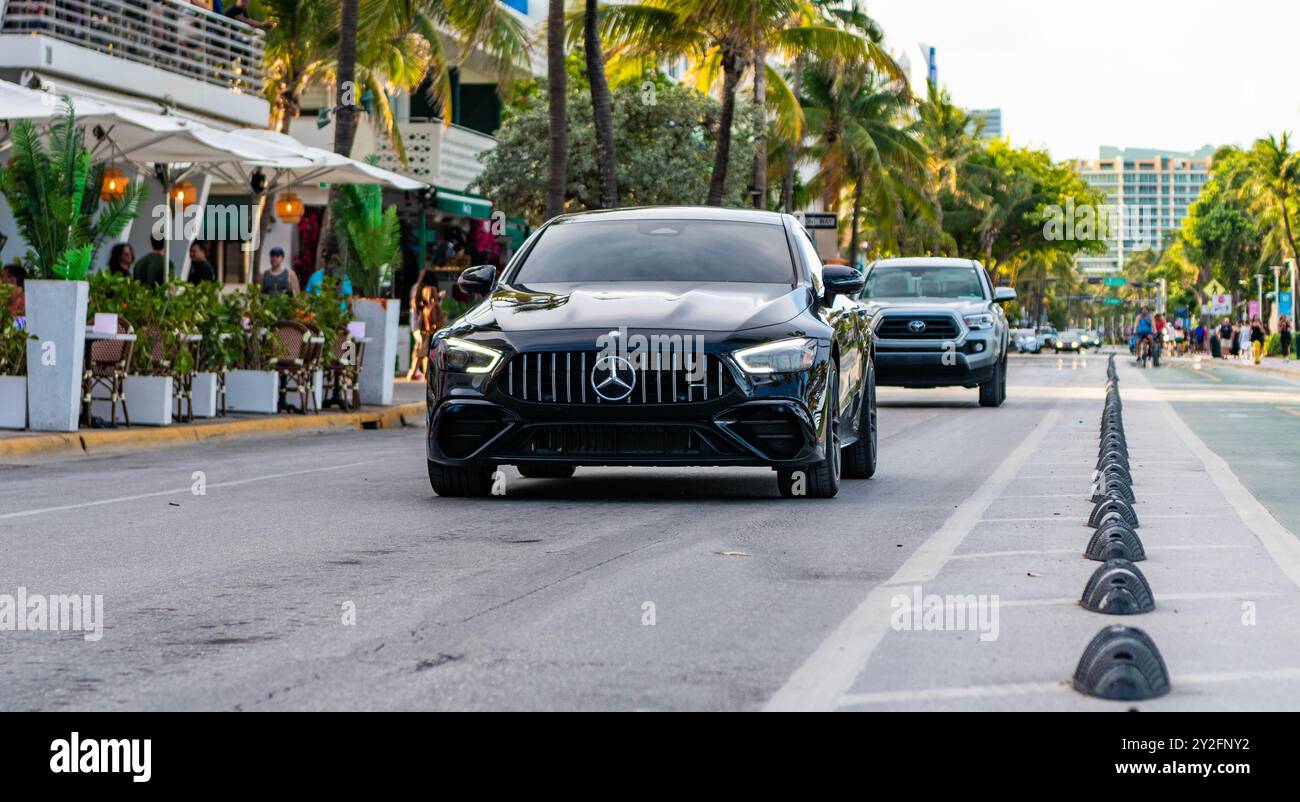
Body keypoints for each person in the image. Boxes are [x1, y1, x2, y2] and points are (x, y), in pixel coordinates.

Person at [406, 268, 447, 381]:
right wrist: (439, 298)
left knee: (422, 350)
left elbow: (417, 306)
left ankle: (421, 373)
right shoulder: (430, 291)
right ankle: (415, 373)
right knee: (422, 350)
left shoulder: (417, 289)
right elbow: (433, 305)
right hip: (425, 327)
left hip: (418, 324)